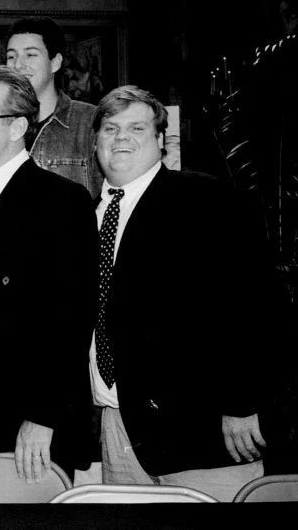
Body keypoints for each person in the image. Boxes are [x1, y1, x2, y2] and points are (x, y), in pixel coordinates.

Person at [89, 85, 282, 501]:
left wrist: (242, 401)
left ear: (161, 141)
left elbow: (252, 302)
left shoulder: (204, 198)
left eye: (137, 127)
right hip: (117, 424)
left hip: (203, 430)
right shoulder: (89, 216)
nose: (121, 137)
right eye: (110, 128)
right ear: (95, 142)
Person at [0, 65, 97, 482]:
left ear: (17, 127)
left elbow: (73, 319)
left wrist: (43, 416)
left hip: (27, 422)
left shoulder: (62, 202)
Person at [5, 17, 102, 197]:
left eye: (31, 55)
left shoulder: (90, 121)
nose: (18, 65)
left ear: (55, 62)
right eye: (11, 56)